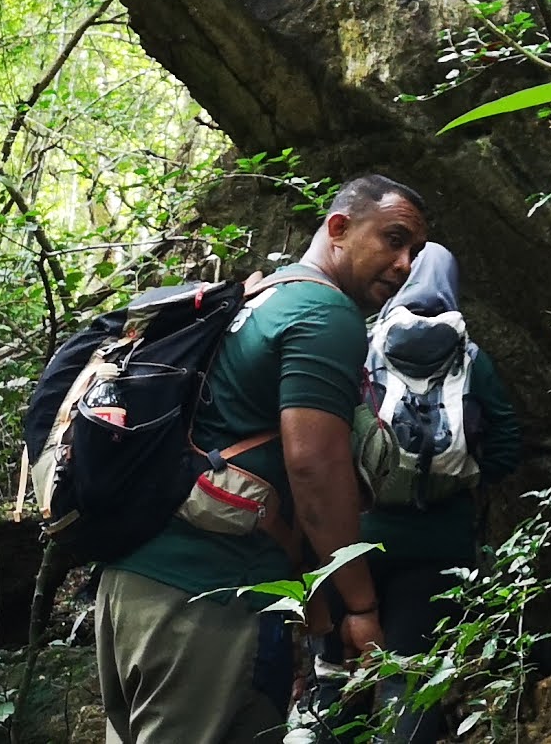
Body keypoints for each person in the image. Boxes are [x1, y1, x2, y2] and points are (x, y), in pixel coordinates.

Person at [95, 174, 429, 744]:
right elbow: (314, 467)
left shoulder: (261, 295)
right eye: (394, 240)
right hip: (206, 600)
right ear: (339, 228)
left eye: (415, 252)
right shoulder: (325, 313)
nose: (404, 264)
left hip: (134, 588)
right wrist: (360, 604)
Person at [329, 240, 522, 743]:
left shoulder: (363, 343)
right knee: (411, 676)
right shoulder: (471, 359)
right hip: (439, 539)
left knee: (338, 670)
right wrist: (465, 480)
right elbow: (506, 442)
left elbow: (329, 429)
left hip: (355, 535)